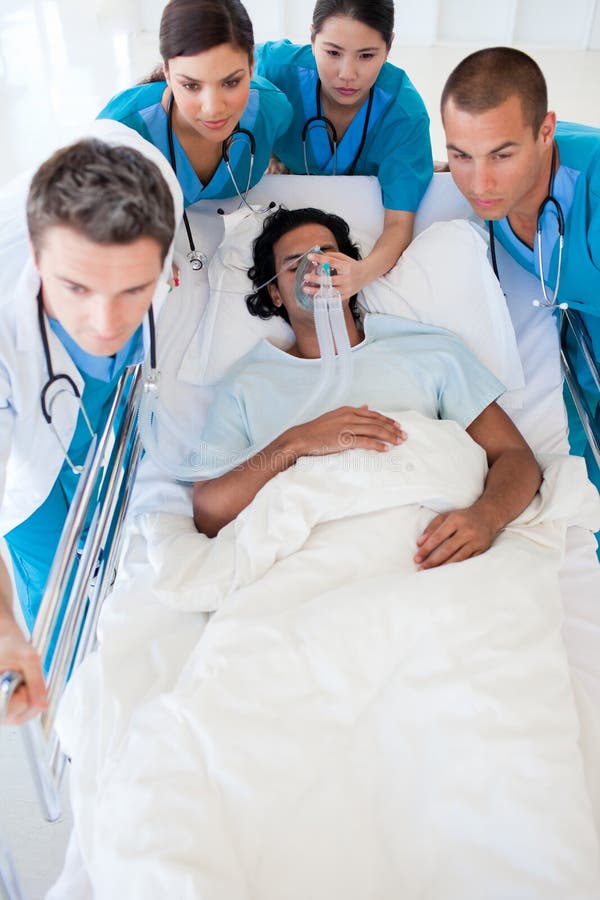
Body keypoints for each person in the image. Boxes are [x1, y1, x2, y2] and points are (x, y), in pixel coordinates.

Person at [193, 206, 542, 567]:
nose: (317, 271)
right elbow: (208, 513)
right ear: (276, 294)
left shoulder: (430, 352)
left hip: (428, 547)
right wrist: (297, 443)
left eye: (329, 257)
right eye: (296, 266)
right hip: (313, 561)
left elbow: (516, 457)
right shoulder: (247, 385)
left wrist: (486, 517)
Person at [0, 126, 182, 725]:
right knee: (57, 600)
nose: (105, 323)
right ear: (35, 256)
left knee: (112, 553)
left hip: (105, 411)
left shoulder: (162, 207)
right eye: (75, 287)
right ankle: (78, 727)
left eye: (134, 289)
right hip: (24, 464)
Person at [440, 46, 600, 500]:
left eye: (501, 156)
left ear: (545, 131)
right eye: (461, 156)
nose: (479, 184)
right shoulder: (491, 194)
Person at [255, 0, 434, 297]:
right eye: (333, 53)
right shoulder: (273, 69)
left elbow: (399, 223)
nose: (347, 74)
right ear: (312, 38)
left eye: (366, 55)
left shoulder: (405, 115)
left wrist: (362, 272)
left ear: (389, 46)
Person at [98, 0, 293, 208]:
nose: (213, 109)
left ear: (251, 64)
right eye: (191, 85)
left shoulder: (271, 108)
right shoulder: (120, 132)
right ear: (167, 73)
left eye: (231, 82)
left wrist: (273, 159)